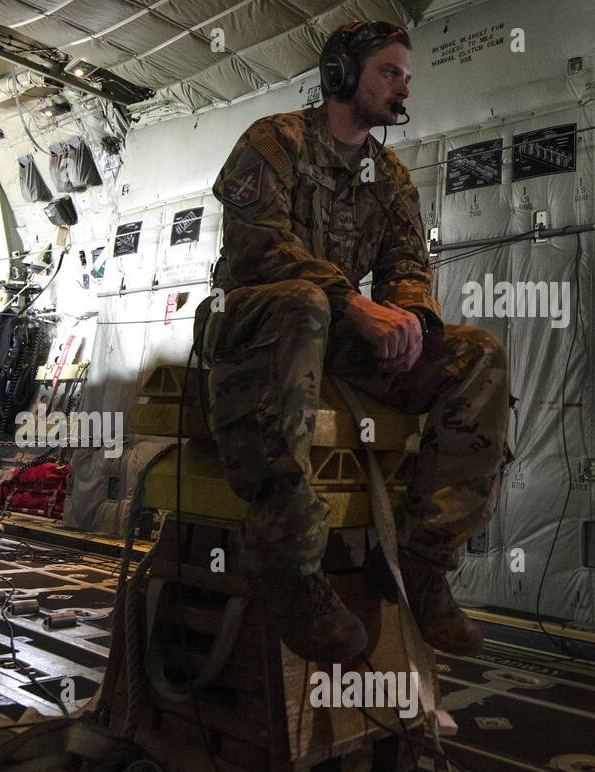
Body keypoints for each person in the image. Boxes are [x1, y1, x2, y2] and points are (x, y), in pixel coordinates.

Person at [202, 20, 511, 663]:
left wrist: (409, 323)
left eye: (407, 77)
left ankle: (421, 562)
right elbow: (259, 247)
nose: (402, 88)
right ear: (342, 73)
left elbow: (407, 265)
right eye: (389, 72)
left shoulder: (389, 173)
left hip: (334, 332)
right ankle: (288, 566)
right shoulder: (274, 141)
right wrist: (355, 306)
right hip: (254, 324)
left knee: (476, 353)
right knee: (305, 302)